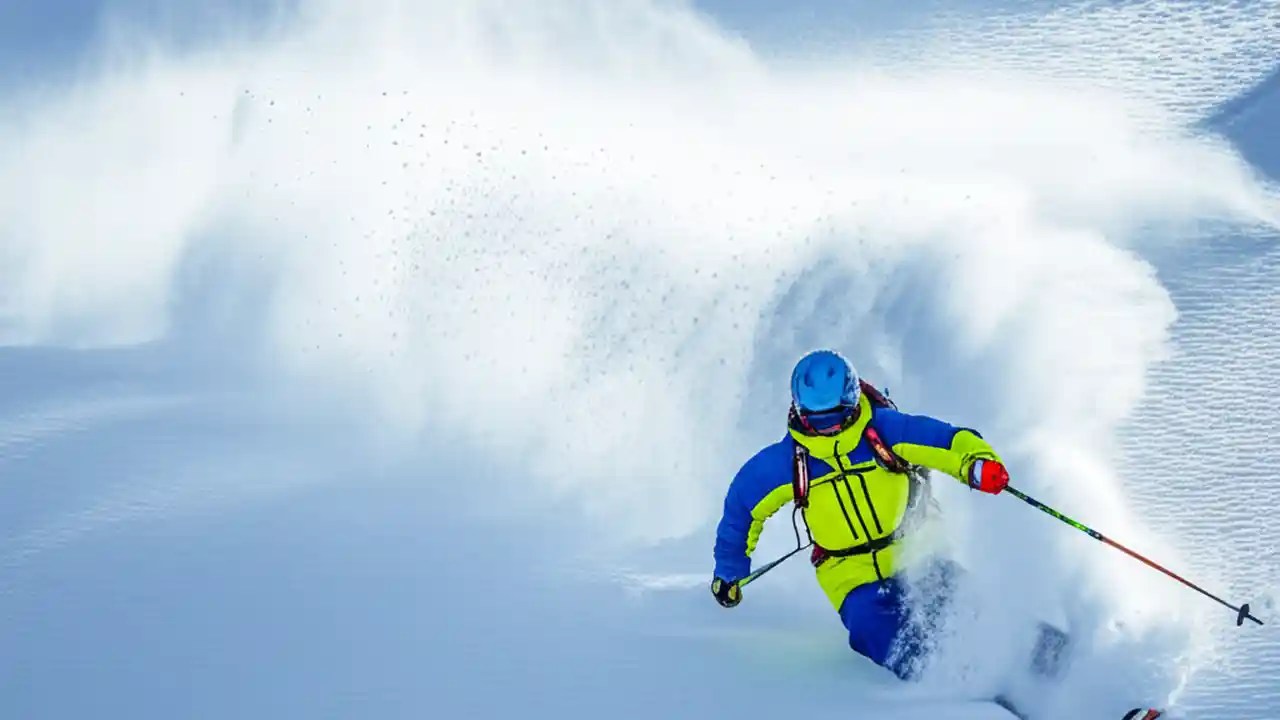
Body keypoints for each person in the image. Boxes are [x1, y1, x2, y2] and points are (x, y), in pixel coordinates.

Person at [710, 349, 1010, 680]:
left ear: (853, 401)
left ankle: (1023, 649)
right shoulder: (788, 463)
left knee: (959, 603)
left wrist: (978, 464)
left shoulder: (885, 431)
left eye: (836, 416)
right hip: (850, 574)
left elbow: (950, 442)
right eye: (816, 420)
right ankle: (948, 679)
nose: (828, 429)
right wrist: (730, 570)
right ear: (799, 411)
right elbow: (741, 511)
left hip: (916, 549)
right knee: (875, 630)